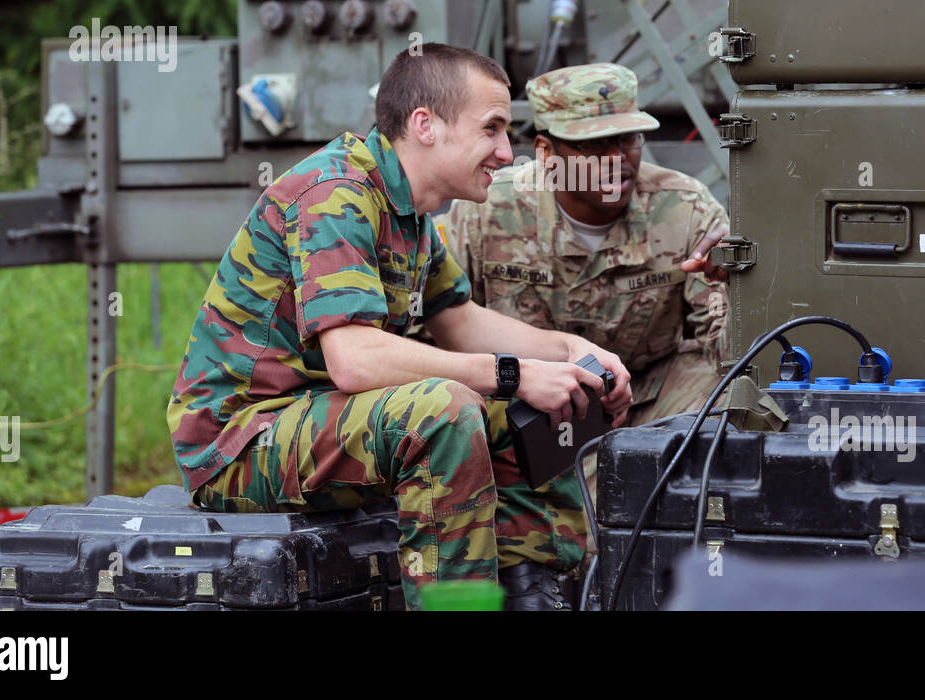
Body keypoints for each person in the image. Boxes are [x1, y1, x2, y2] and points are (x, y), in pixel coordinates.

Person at [166, 43, 632, 611]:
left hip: (321, 420)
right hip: (241, 444)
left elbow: (460, 321)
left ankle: (529, 592)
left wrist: (571, 352)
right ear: (425, 125)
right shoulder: (335, 193)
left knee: (537, 406)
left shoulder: (407, 212)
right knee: (445, 410)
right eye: (492, 129)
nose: (506, 153)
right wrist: (513, 373)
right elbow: (355, 360)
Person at [434, 62, 729, 434]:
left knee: (731, 393)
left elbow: (729, 348)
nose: (617, 158)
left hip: (650, 406)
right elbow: (434, 331)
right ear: (545, 151)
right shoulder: (486, 211)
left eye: (628, 139)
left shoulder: (685, 209)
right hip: (527, 408)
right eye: (591, 144)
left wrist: (743, 286)